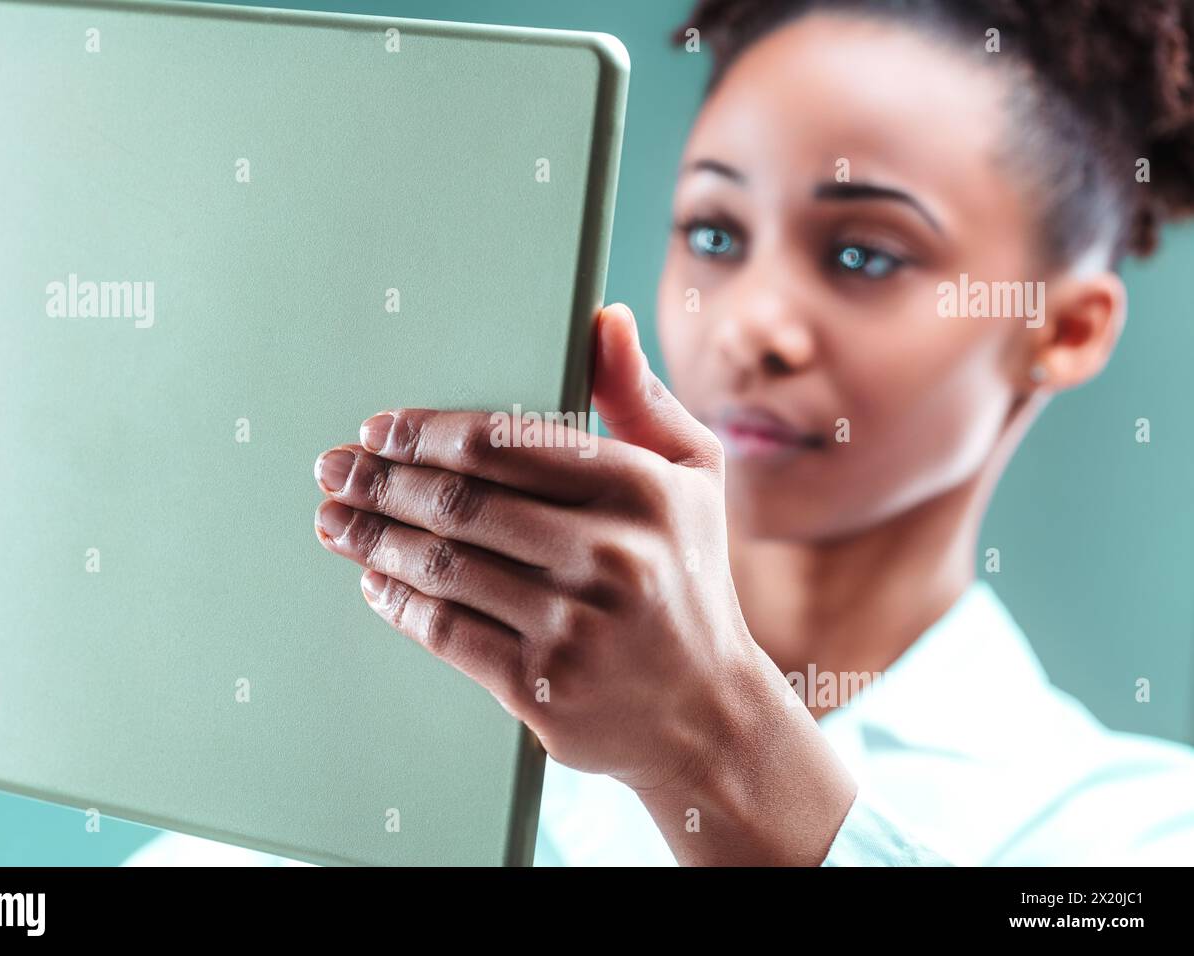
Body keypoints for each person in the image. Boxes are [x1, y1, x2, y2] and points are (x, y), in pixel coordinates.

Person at [125, 0, 1194, 867]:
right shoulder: (395, 758)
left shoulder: (1137, 827)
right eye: (715, 234)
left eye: (865, 254)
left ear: (1062, 326)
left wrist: (713, 746)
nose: (747, 326)